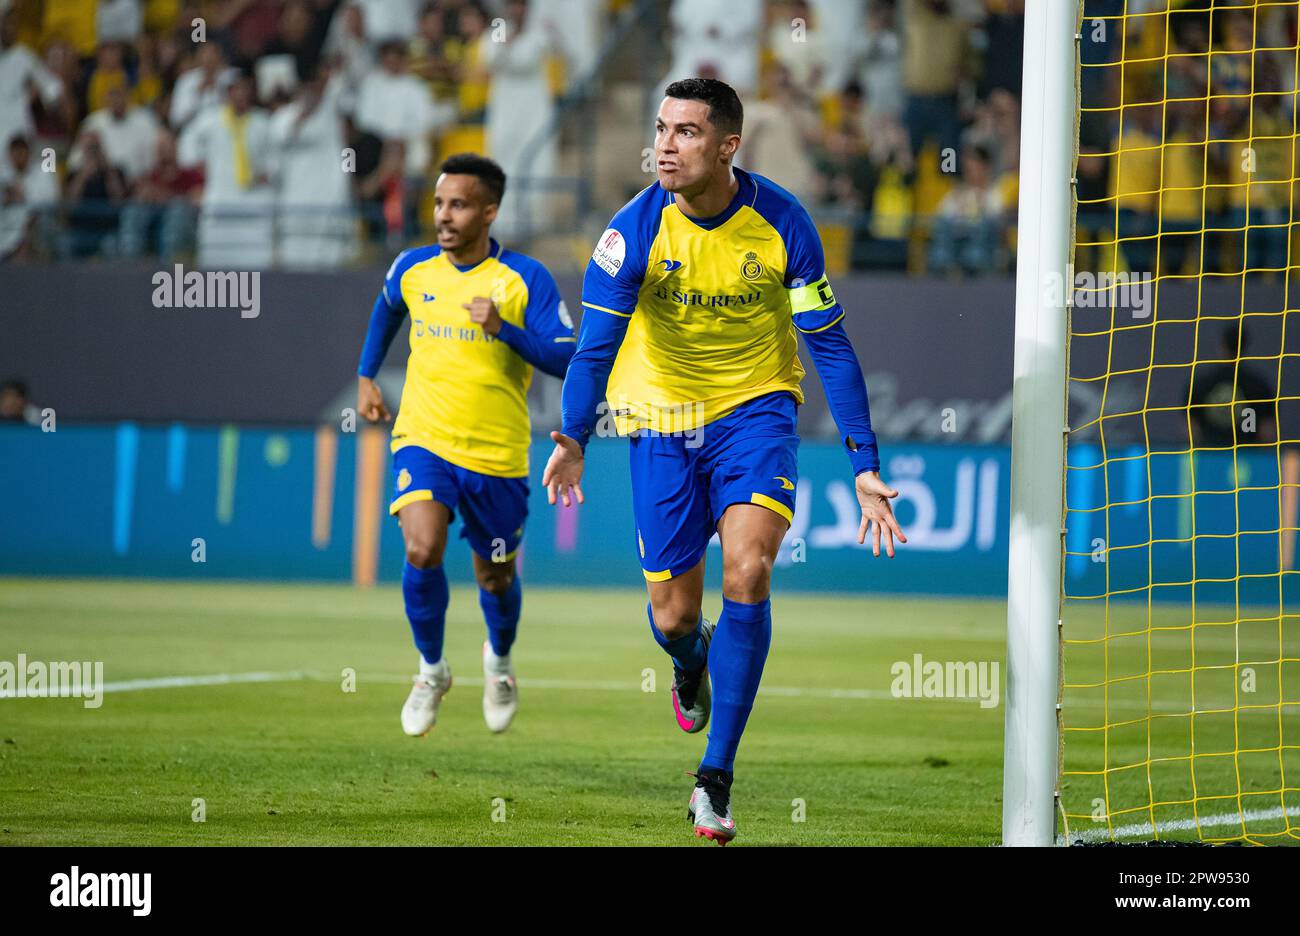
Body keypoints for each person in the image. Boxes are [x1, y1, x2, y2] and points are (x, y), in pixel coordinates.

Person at [543, 78, 905, 844]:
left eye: (686, 133)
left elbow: (829, 345)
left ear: (728, 147)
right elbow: (594, 350)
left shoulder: (783, 223)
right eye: (661, 128)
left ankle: (714, 778)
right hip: (661, 423)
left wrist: (863, 460)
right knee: (672, 616)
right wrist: (573, 436)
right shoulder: (631, 232)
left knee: (748, 570)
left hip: (756, 414)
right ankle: (689, 659)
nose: (665, 146)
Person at [355, 153, 575, 738]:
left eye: (457, 205)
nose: (443, 216)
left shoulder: (524, 279)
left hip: (497, 456)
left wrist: (505, 328)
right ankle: (431, 670)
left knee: (495, 577)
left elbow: (566, 354)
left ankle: (498, 663)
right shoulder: (413, 268)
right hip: (424, 439)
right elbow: (385, 312)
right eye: (438, 203)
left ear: (489, 211)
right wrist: (366, 376)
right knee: (422, 549)